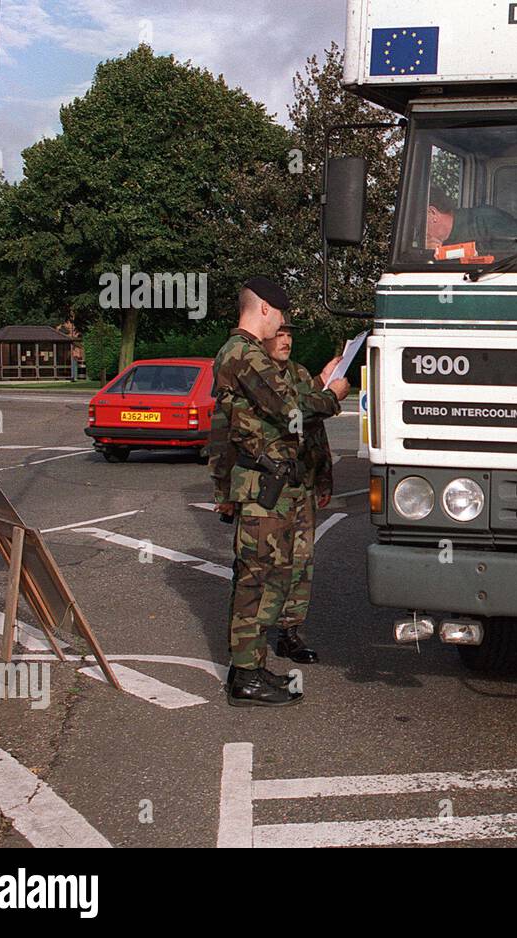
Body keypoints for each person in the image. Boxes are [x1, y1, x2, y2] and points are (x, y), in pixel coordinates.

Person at [209, 277, 349, 707]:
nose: (283, 326)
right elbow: (289, 408)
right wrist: (333, 396)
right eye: (281, 316)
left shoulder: (247, 355)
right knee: (257, 578)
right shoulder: (243, 354)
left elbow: (285, 400)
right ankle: (245, 677)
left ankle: (251, 666)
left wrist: (319, 385)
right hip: (261, 486)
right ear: (265, 309)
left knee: (267, 576)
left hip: (273, 485)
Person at [263, 322, 333, 666]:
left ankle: (289, 632)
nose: (286, 340)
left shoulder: (300, 373)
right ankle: (252, 632)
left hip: (301, 484)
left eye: (290, 334)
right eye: (279, 334)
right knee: (266, 562)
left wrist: (323, 478)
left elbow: (316, 428)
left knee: (301, 561)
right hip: (269, 487)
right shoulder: (256, 373)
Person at [425, 186, 517, 257]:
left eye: (418, 226)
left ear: (432, 213)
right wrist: (430, 255)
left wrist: (445, 253)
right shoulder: (433, 243)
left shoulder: (488, 219)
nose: (417, 234)